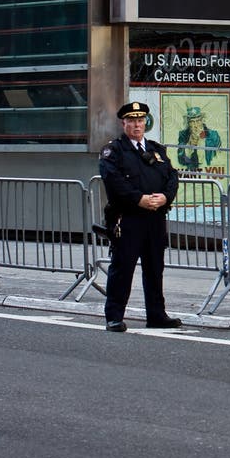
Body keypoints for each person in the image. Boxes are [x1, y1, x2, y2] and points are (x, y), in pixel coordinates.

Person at [99, 101, 182, 332]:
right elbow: (113, 180)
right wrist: (139, 199)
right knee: (123, 268)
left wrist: (165, 197)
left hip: (155, 218)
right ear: (123, 122)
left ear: (146, 122)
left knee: (155, 268)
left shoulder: (156, 149)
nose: (137, 125)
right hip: (128, 218)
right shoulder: (114, 151)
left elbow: (172, 177)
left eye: (140, 120)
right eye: (132, 121)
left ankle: (156, 315)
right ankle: (114, 316)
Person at [177, 106, 221, 170]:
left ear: (202, 121)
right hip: (192, 173)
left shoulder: (213, 135)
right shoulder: (183, 135)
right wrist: (189, 146)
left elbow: (219, 156)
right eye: (192, 122)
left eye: (198, 121)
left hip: (209, 170)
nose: (196, 125)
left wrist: (201, 141)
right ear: (188, 124)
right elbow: (180, 159)